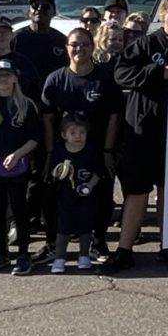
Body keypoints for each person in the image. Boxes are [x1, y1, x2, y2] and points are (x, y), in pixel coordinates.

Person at [100, 0, 168, 274]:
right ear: (163, 14)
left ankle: (167, 246)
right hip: (141, 130)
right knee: (137, 192)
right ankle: (124, 250)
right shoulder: (145, 45)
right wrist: (157, 72)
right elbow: (121, 75)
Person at [40, 27, 124, 259]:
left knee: (101, 196)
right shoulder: (56, 79)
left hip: (96, 150)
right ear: (67, 48)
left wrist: (108, 151)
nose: (79, 49)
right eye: (74, 44)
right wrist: (49, 153)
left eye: (85, 44)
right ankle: (52, 246)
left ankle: (98, 243)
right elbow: (47, 119)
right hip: (62, 151)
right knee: (55, 197)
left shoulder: (104, 78)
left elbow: (114, 117)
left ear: (93, 46)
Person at [0, 59, 42, 275]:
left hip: (19, 165)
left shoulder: (26, 105)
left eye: (7, 75)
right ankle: (0, 253)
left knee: (19, 209)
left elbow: (35, 138)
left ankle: (24, 254)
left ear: (15, 78)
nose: (3, 79)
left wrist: (17, 155)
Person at [48, 114, 104, 273]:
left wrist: (90, 185)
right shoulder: (59, 152)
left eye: (81, 132)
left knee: (85, 227)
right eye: (72, 133)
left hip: (86, 197)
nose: (77, 136)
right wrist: (59, 172)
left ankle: (84, 256)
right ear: (64, 135)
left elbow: (98, 172)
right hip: (65, 197)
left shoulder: (91, 152)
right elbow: (54, 172)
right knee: (63, 228)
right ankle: (60, 258)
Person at [11, 0, 68, 80]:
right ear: (29, 12)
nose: (39, 9)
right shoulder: (17, 38)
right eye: (35, 6)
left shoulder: (61, 40)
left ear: (54, 12)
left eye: (45, 6)